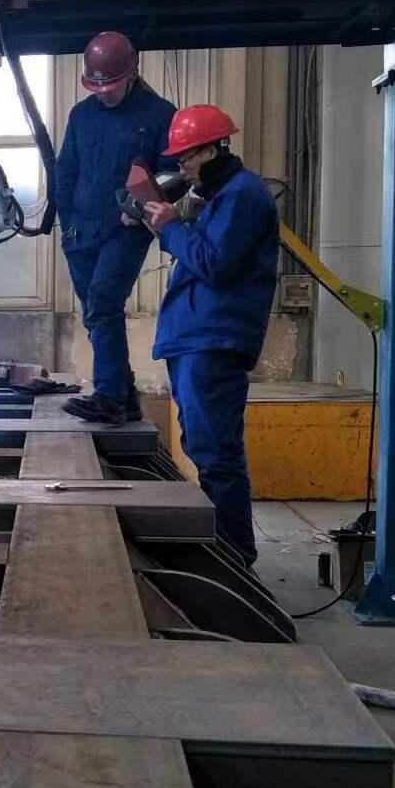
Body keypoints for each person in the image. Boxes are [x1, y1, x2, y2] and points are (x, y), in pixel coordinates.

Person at [139, 104, 279, 567]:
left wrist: (172, 227)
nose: (181, 165)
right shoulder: (219, 197)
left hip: (214, 340)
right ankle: (227, 551)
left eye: (187, 156)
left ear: (214, 149)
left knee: (216, 453)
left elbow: (216, 264)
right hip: (197, 339)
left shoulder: (242, 195)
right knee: (204, 446)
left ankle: (235, 557)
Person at [56, 31, 178, 425]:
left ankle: (108, 396)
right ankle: (125, 396)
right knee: (95, 312)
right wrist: (66, 223)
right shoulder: (81, 116)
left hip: (127, 229)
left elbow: (173, 173)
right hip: (80, 230)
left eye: (111, 86)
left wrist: (140, 208)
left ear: (132, 72)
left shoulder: (159, 115)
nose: (104, 94)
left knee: (104, 300)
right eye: (97, 88)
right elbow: (66, 170)